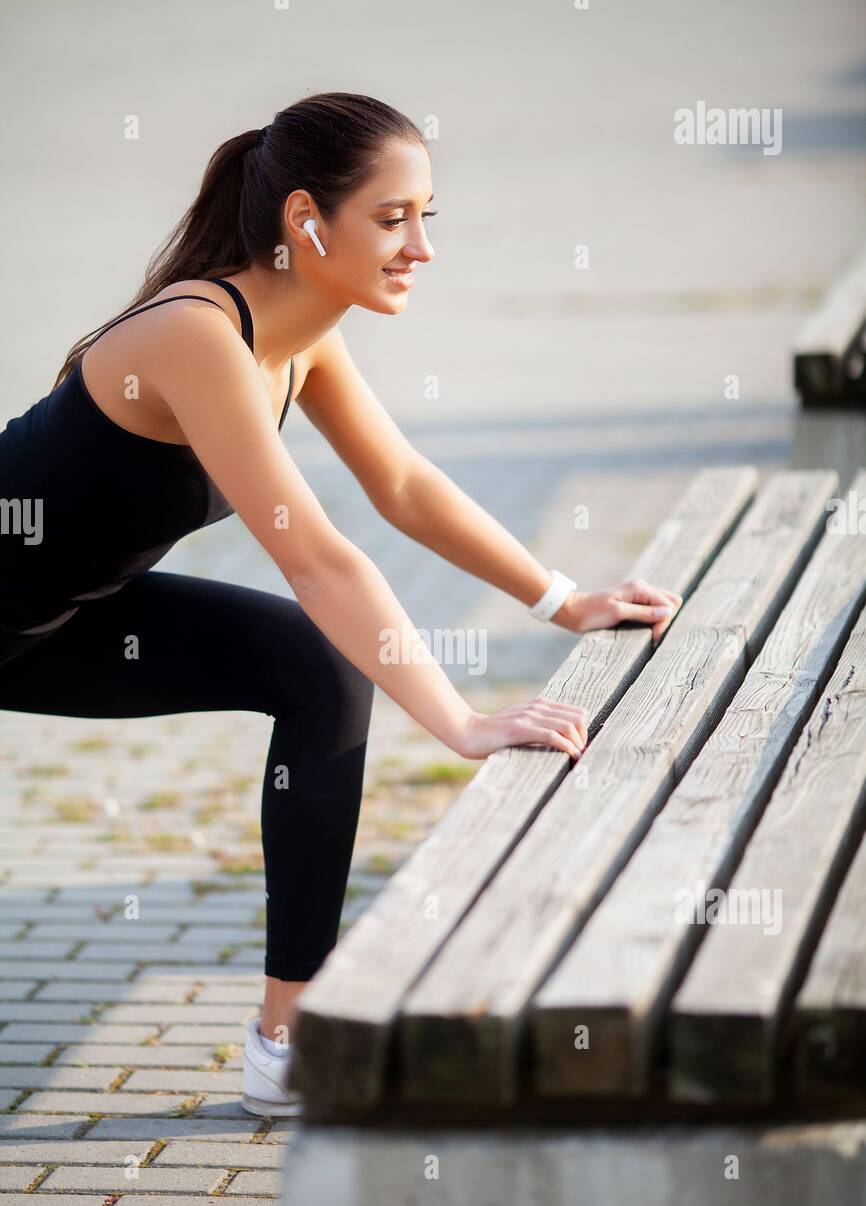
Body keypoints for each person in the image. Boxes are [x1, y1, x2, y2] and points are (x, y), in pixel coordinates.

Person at [0, 91, 682, 1114]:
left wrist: (559, 599)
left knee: (319, 670)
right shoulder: (196, 335)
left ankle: (284, 1035)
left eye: (426, 217)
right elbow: (316, 557)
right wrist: (457, 721)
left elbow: (401, 486)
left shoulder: (301, 340)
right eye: (391, 217)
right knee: (325, 639)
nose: (419, 248)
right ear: (306, 221)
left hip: (50, 623)